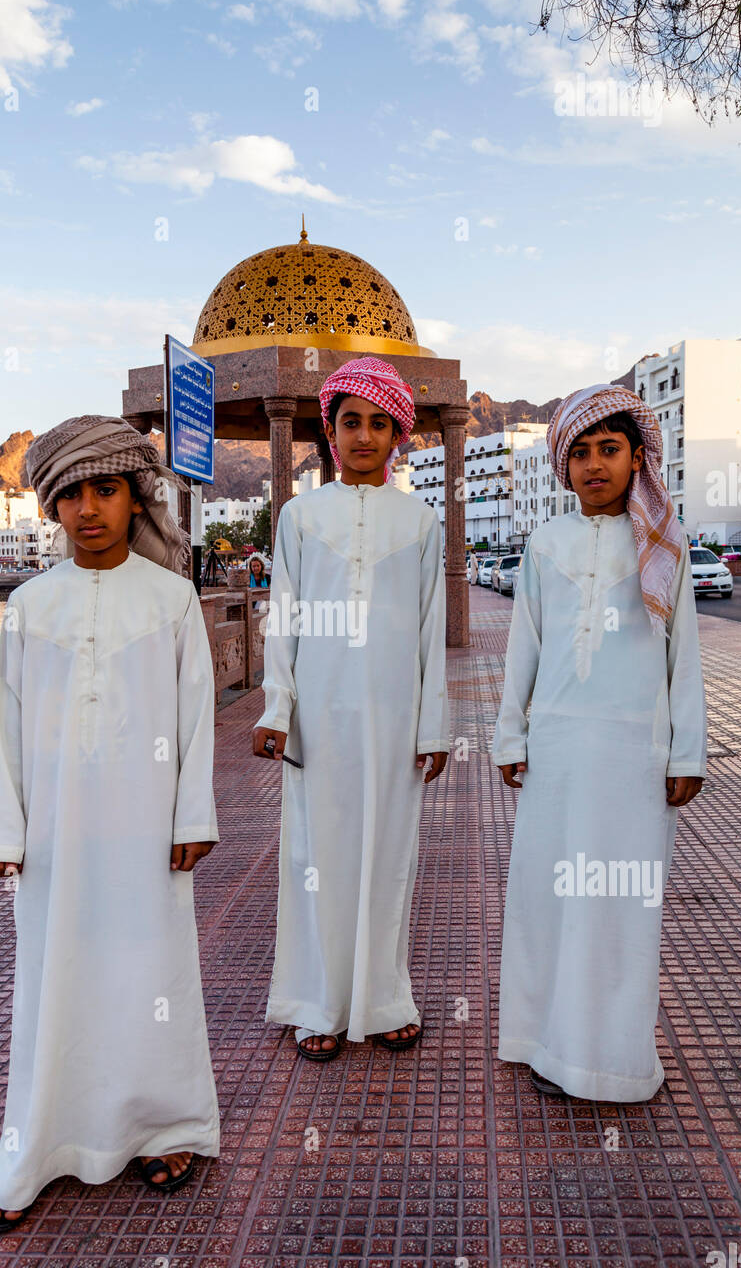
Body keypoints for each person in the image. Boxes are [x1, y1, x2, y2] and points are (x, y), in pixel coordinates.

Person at [0, 415, 220, 1231]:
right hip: (54, 840)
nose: (89, 509)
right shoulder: (28, 605)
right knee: (56, 981)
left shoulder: (173, 599)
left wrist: (194, 815)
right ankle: (43, 1146)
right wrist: (6, 836)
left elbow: (194, 722)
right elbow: (6, 737)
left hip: (147, 832)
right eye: (72, 494)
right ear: (52, 508)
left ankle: (162, 1125)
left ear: (133, 498)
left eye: (105, 491)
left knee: (148, 976)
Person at [493, 384, 706, 1102]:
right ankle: (542, 1040)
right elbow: (525, 647)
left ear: (637, 457)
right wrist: (509, 735)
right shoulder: (546, 544)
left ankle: (610, 1060)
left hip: (632, 760)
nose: (594, 465)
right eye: (579, 452)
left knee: (618, 907)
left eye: (608, 450)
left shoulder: (664, 543)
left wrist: (687, 753)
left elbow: (686, 662)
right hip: (555, 755)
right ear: (563, 465)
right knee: (548, 900)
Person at [252, 357, 451, 1061]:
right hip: (320, 719)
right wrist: (278, 709)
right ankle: (319, 1004)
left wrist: (433, 727)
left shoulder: (421, 521)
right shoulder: (300, 517)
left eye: (378, 424)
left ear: (397, 434)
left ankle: (385, 998)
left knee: (389, 860)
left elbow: (430, 633)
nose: (364, 436)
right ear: (331, 431)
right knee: (316, 860)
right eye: (350, 422)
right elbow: (285, 620)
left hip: (395, 720)